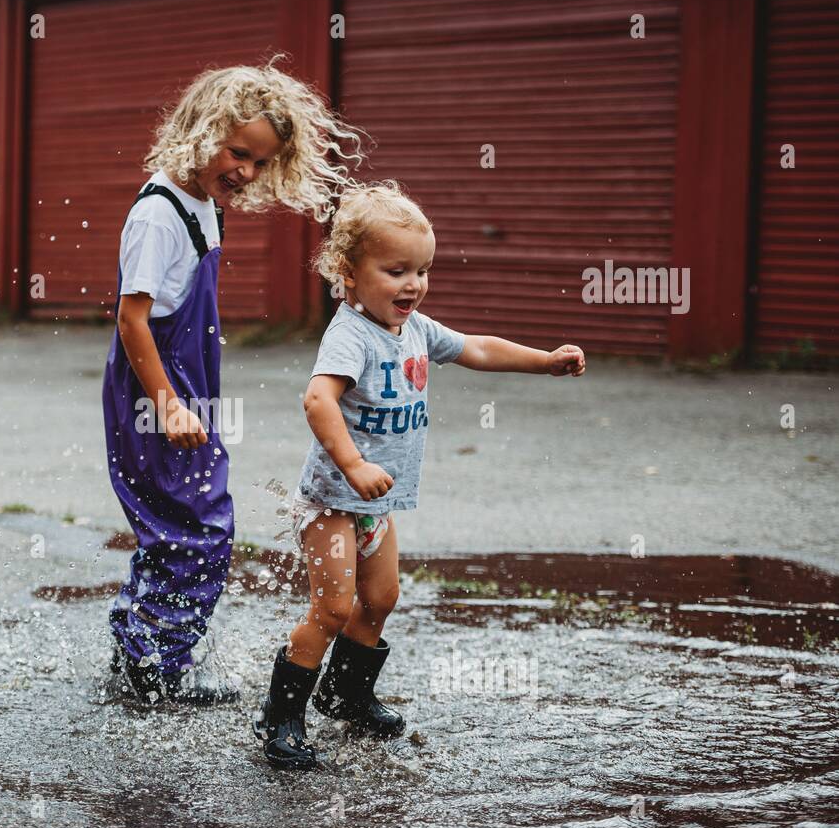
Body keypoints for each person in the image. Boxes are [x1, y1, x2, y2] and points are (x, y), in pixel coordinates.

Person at [255, 180, 587, 765]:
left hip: (378, 506)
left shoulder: (414, 329)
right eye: (396, 270)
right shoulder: (349, 335)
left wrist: (545, 363)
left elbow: (477, 348)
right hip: (332, 500)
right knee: (331, 610)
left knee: (381, 599)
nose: (413, 284)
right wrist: (353, 464)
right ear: (349, 272)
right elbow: (316, 401)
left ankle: (346, 695)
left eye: (422, 270)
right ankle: (281, 721)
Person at [103, 58, 366, 706]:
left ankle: (142, 651)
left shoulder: (204, 205)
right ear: (202, 127)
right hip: (155, 400)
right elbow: (131, 320)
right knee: (200, 529)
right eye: (238, 152)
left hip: (186, 395)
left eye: (259, 162)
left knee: (179, 526)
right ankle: (155, 665)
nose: (245, 171)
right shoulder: (161, 215)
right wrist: (166, 406)